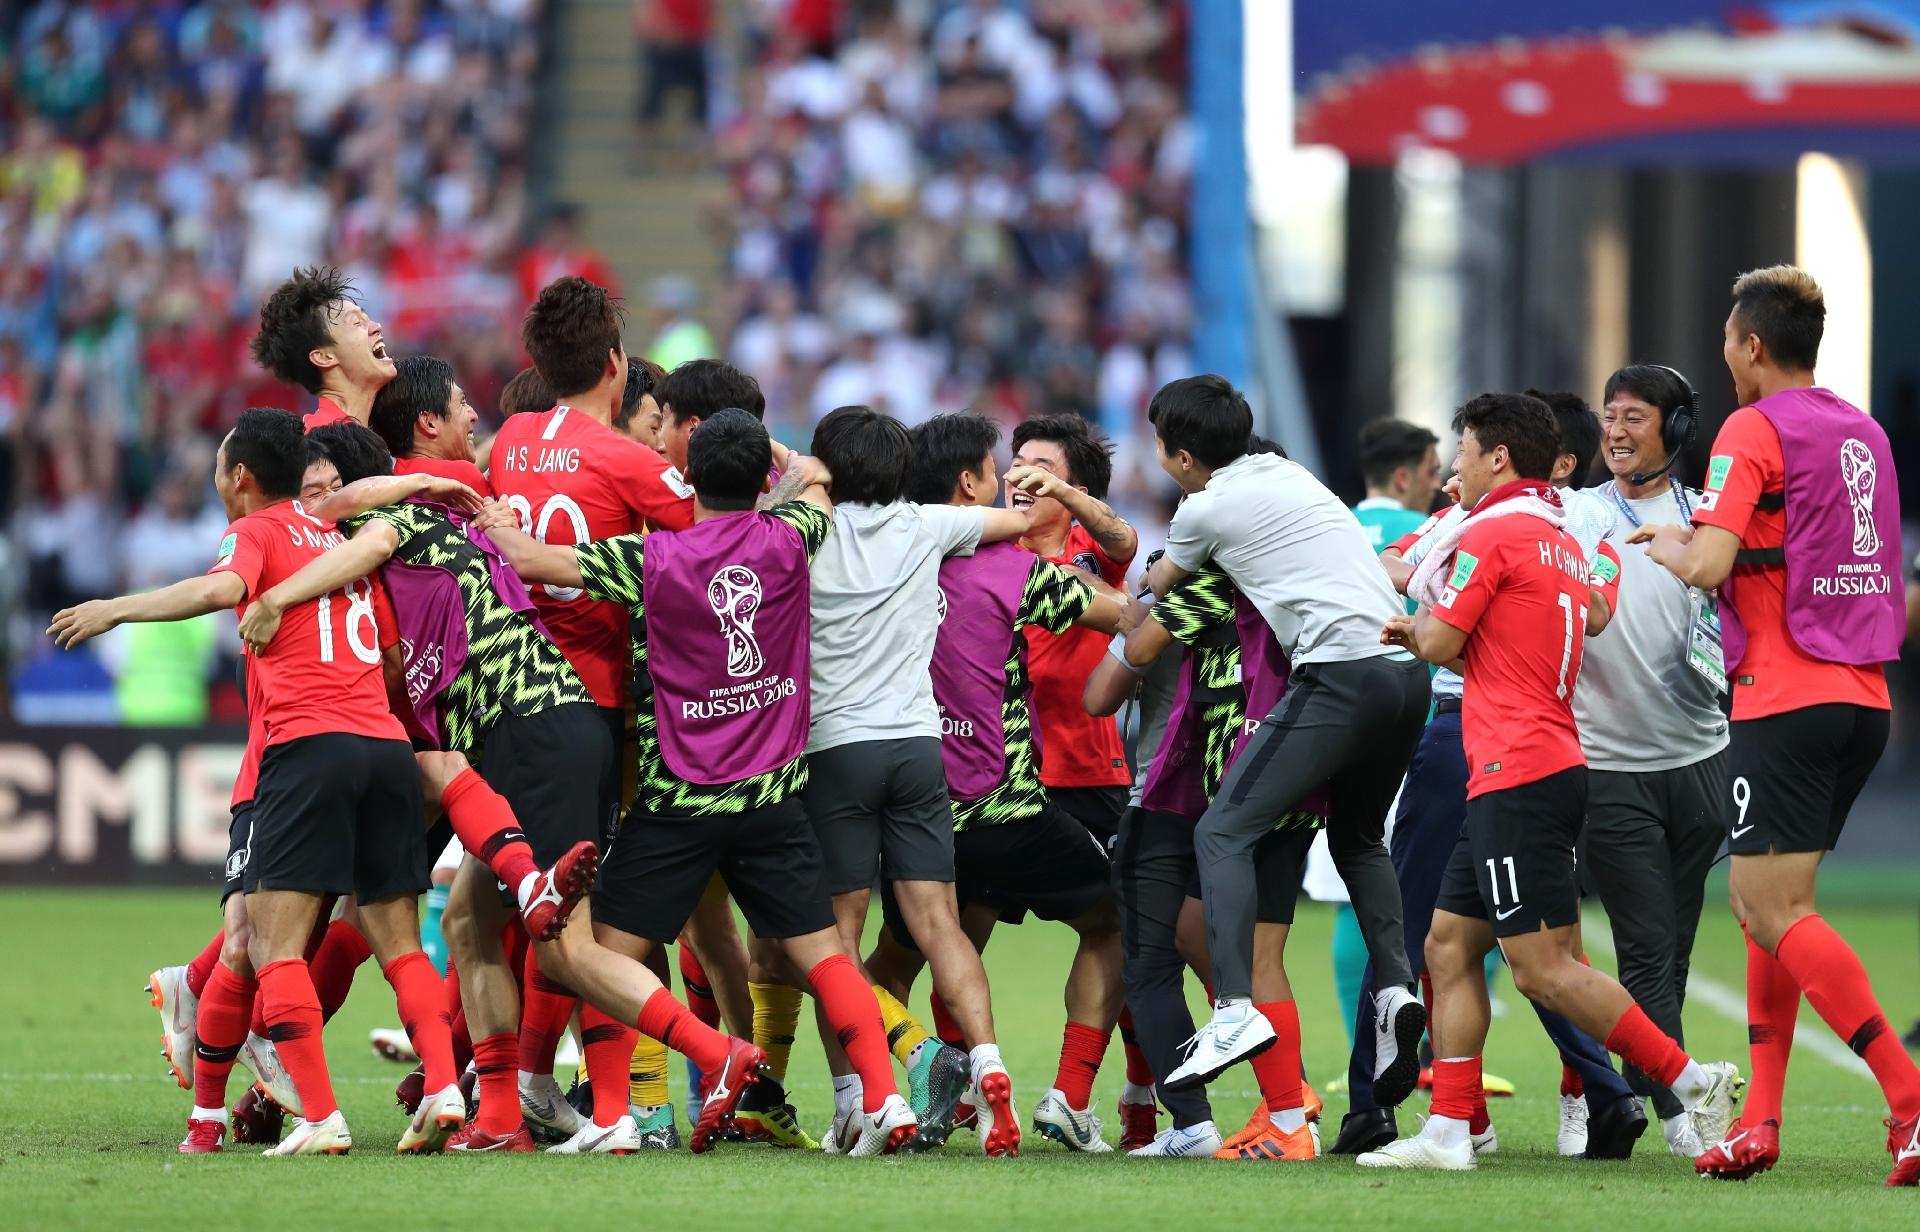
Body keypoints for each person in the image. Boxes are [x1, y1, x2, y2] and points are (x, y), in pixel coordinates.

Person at [234, 421, 763, 1156]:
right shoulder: (445, 524)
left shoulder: (395, 520)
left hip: (531, 728)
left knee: (565, 949)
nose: (312, 507)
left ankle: (711, 1056)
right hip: (553, 725)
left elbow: (348, 523)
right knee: (470, 924)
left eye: (326, 489)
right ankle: (503, 1116)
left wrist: (274, 596)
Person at [478, 408, 922, 1158]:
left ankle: (618, 1113)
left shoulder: (652, 557)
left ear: (689, 479)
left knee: (602, 959)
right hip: (772, 799)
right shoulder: (790, 537)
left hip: (679, 801)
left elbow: (533, 562)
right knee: (824, 956)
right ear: (758, 481)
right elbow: (815, 477)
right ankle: (882, 1101)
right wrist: (782, 467)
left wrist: (495, 519)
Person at [53, 409, 460, 1157]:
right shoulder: (337, 543)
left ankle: (320, 1115)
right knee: (400, 946)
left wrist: (117, 609)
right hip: (385, 748)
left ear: (239, 478)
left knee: (272, 946)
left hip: (308, 750)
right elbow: (394, 661)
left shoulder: (260, 531)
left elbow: (220, 592)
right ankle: (443, 1085)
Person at [1358, 393, 1738, 1172]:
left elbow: (1439, 637)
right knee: (1449, 943)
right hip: (1543, 760)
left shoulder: (1489, 534)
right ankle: (1450, 1130)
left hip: (1515, 770)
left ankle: (1691, 1081)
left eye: (1462, 450)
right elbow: (1567, 626)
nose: (1454, 466)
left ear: (1497, 457)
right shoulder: (1563, 539)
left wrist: (1408, 628)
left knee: (1544, 968)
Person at [1633, 265, 1919, 1186]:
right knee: (1770, 914)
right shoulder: (1864, 432)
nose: (1724, 356)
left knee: (1768, 907)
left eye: (1727, 340)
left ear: (1753, 346)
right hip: (1862, 700)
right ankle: (1760, 1121)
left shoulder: (1751, 428)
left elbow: (1711, 562)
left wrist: (1664, 542)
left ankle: (1911, 1101)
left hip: (1784, 697)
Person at [1142, 376, 1431, 1100]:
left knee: (1221, 831)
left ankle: (1235, 1008)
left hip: (1341, 676)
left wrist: (1147, 566)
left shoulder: (1201, 508)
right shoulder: (1290, 471)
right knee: (1359, 840)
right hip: (1407, 673)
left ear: (1180, 459)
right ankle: (1396, 987)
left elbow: (1160, 583)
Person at [864, 411, 1134, 1158]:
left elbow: (1118, 546)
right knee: (1117, 920)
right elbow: (1132, 617)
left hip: (913, 803)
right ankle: (1068, 1094)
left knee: (882, 960)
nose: (1012, 477)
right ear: (968, 483)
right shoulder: (1015, 566)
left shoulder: (883, 557)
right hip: (1013, 803)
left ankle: (918, 1064)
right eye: (999, 466)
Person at [800, 405, 1032, 1149]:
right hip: (917, 747)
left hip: (838, 748)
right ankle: (989, 1063)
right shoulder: (925, 526)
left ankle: (858, 1103)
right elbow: (1008, 527)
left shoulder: (808, 534)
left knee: (835, 940)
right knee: (940, 924)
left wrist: (807, 478)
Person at [1573, 363, 1731, 1157]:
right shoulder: (1577, 514)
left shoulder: (1709, 519)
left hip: (1703, 756)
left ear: (1675, 428)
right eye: (1610, 417)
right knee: (1642, 947)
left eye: (1635, 417)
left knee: (1673, 946)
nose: (1617, 432)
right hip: (1608, 765)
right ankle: (1681, 1111)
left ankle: (1619, 1092)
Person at [249, 266, 396, 429]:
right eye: (357, 323)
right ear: (324, 357)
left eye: (367, 318)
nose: (377, 326)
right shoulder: (321, 447)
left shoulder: (400, 430)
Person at [368, 354, 492, 495]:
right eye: (462, 403)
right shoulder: (461, 477)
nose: (474, 415)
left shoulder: (381, 482)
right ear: (429, 422)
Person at [1354, 418, 1442, 550]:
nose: (1437, 485)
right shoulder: (1427, 531)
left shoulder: (1333, 526)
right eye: (1432, 472)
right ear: (1403, 478)